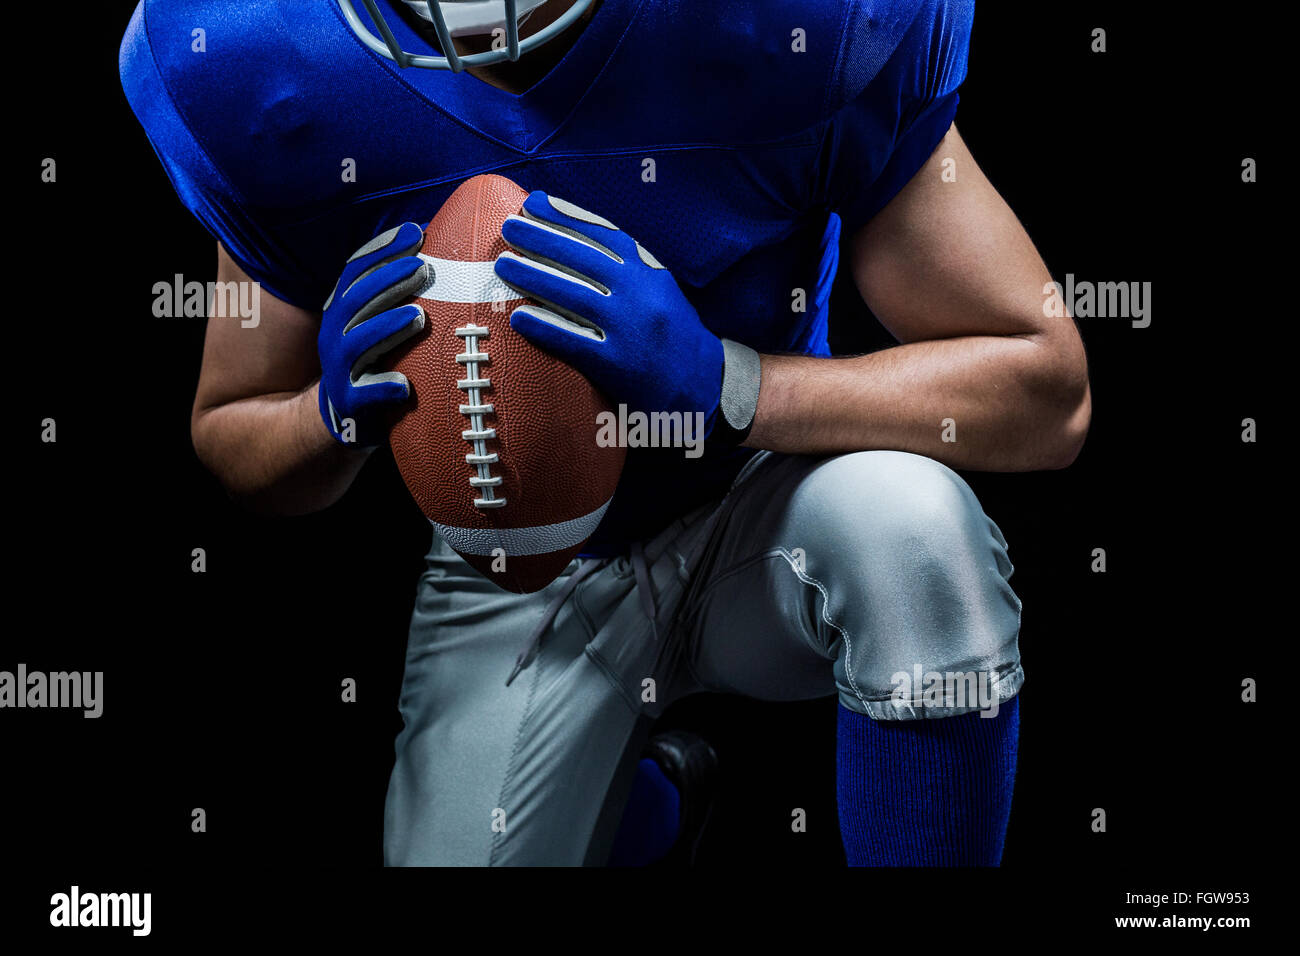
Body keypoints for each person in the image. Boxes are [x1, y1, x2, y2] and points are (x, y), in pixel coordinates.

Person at [120, 0, 1090, 866]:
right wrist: (325, 416)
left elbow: (1046, 386)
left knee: (914, 533)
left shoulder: (798, 21)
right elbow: (230, 428)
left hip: (766, 502)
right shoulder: (250, 50)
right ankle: (648, 805)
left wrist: (727, 381)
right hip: (511, 559)